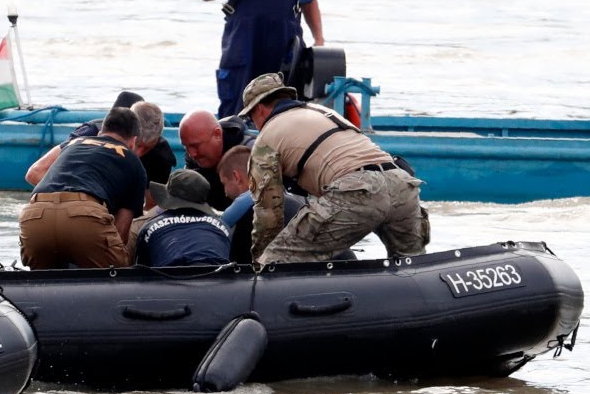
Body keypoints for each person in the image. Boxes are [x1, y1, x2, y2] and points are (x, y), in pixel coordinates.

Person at [239, 73, 427, 265]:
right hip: (401, 184)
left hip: (358, 192)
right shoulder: (323, 112)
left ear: (259, 109)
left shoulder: (266, 138)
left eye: (251, 117)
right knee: (413, 265)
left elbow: (268, 214)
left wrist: (259, 260)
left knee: (275, 260)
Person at [19, 107, 146, 269]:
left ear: (101, 132)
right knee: (118, 266)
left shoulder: (73, 143)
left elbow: (34, 172)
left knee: (42, 278)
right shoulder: (132, 160)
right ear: (133, 141)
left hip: (34, 217)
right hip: (85, 218)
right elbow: (121, 232)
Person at [25, 93, 176, 189]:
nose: (138, 153)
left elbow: (149, 207)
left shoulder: (161, 155)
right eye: (137, 145)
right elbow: (35, 172)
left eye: (147, 148)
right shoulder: (90, 134)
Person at [134, 170, 231, 267]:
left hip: (169, 278)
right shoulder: (223, 228)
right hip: (218, 278)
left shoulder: (148, 228)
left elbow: (142, 274)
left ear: (169, 198)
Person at [178, 110, 249, 210]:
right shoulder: (192, 160)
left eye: (196, 146)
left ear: (217, 135)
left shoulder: (250, 153)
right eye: (186, 147)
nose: (192, 154)